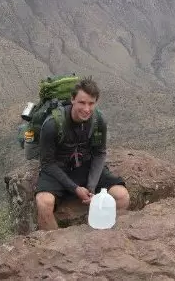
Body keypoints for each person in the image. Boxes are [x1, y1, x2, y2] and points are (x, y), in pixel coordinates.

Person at [35, 77, 130, 230]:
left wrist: (91, 186)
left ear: (96, 103)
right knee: (44, 203)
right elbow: (47, 164)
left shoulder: (99, 121)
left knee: (122, 196)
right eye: (82, 102)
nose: (87, 109)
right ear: (72, 99)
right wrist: (75, 188)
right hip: (57, 169)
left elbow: (99, 153)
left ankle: (107, 238)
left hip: (85, 166)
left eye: (91, 103)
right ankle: (56, 245)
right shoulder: (53, 124)